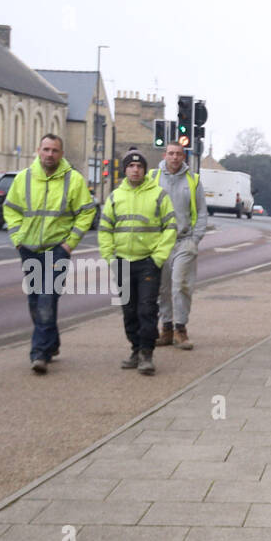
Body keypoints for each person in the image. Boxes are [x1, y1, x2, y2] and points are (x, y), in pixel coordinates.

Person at [2, 133, 95, 373]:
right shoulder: (23, 179)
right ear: (38, 150)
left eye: (54, 150)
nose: (49, 154)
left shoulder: (73, 180)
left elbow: (87, 211)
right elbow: (11, 209)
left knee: (46, 297)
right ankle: (51, 342)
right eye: (46, 150)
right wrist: (17, 239)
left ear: (61, 154)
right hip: (29, 249)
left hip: (57, 250)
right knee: (36, 300)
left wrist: (70, 243)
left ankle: (39, 353)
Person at [98, 148, 176, 375]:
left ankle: (146, 354)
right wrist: (110, 257)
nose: (135, 170)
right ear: (124, 171)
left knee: (147, 309)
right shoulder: (115, 196)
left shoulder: (158, 195)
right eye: (131, 166)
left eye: (139, 166)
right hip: (122, 261)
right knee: (129, 311)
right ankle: (135, 349)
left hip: (147, 263)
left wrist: (158, 258)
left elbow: (170, 227)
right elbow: (105, 230)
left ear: (145, 170)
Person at [150, 142, 207, 349]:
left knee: (180, 284)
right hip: (160, 242)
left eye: (179, 154)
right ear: (165, 155)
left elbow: (201, 211)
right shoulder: (153, 178)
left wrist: (196, 238)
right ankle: (166, 328)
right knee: (163, 288)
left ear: (184, 157)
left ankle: (180, 328)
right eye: (171, 153)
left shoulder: (193, 180)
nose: (174, 157)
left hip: (184, 241)